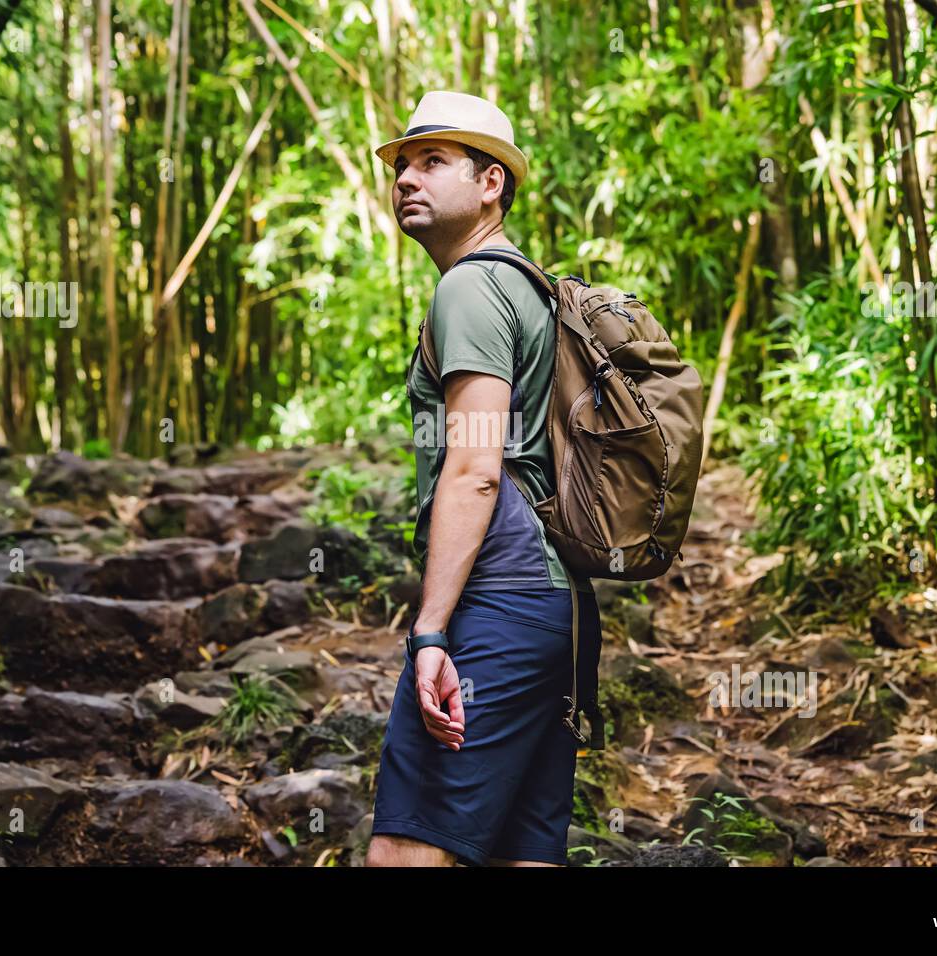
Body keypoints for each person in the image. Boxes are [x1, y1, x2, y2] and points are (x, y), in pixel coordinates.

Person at [364, 90, 601, 868]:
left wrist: (431, 630)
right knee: (518, 853)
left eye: (433, 161)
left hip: (497, 603)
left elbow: (474, 468)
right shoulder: (527, 285)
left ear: (491, 181)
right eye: (403, 164)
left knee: (406, 850)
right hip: (557, 615)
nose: (407, 178)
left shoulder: (468, 286)